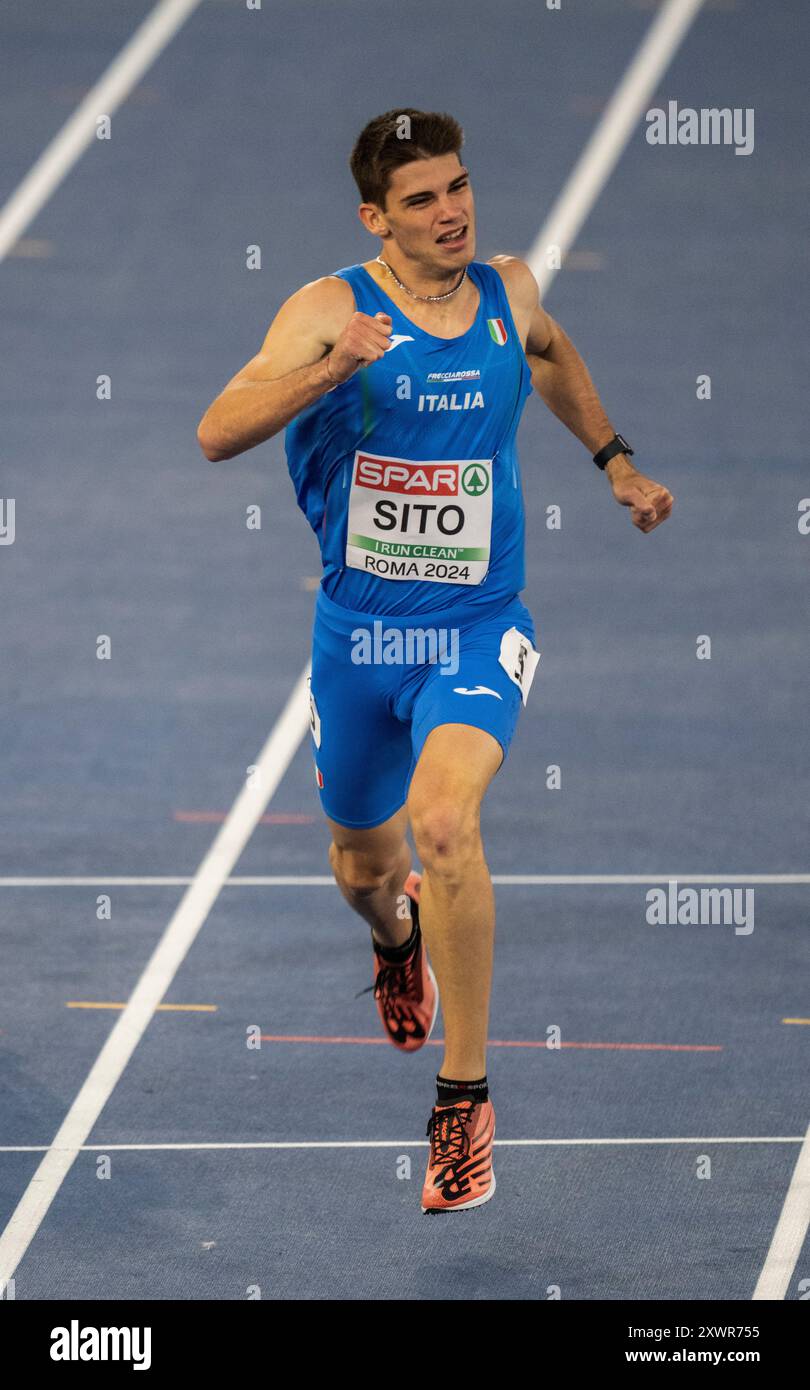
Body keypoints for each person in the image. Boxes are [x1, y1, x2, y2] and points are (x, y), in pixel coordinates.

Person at [197, 108, 673, 1213]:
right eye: (420, 199)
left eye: (456, 187)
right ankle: (394, 935)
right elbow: (218, 430)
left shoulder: (507, 292)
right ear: (375, 218)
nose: (450, 210)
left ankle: (464, 1104)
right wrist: (330, 372)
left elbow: (551, 357)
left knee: (447, 821)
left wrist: (613, 461)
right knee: (364, 868)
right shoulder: (328, 310)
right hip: (359, 639)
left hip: (476, 628)